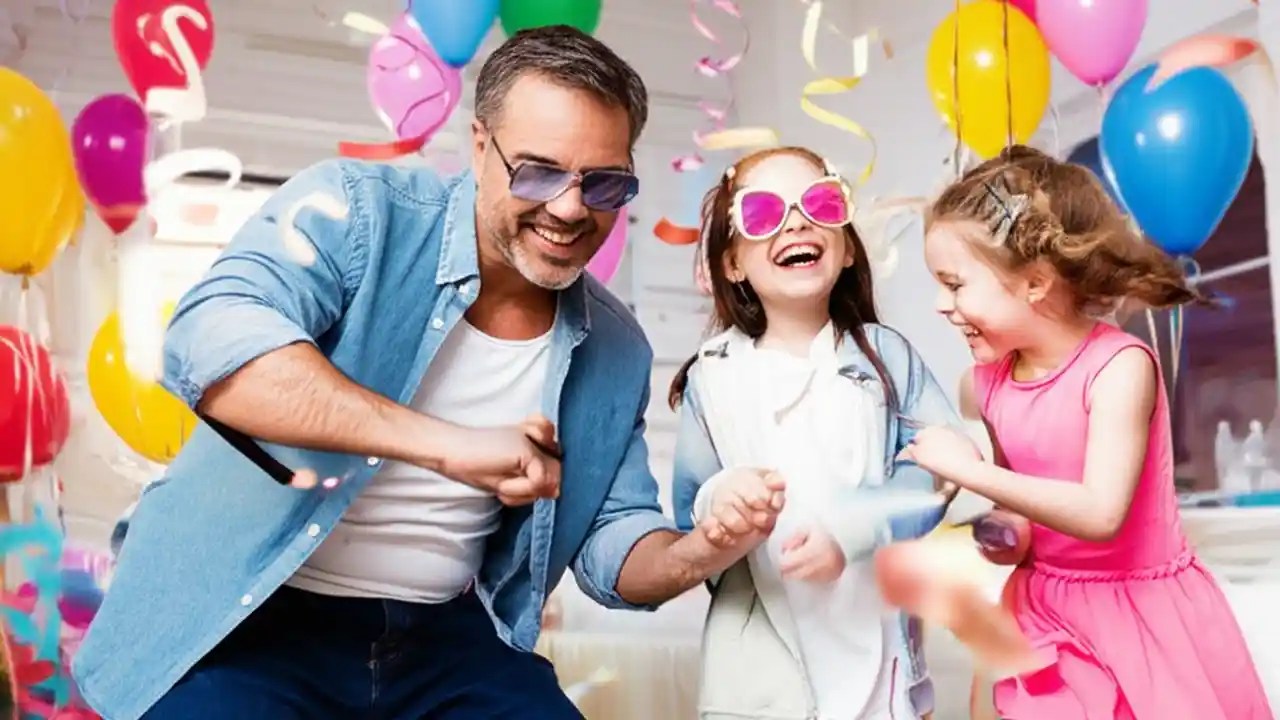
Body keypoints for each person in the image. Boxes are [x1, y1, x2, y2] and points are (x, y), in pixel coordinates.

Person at [72, 26, 780, 720]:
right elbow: (213, 342)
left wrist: (699, 550)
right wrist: (448, 444)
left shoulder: (614, 345)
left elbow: (611, 535)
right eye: (536, 171)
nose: (569, 208)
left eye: (603, 183)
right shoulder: (355, 212)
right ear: (479, 147)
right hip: (253, 621)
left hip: (445, 643)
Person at [903, 145, 1273, 719]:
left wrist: (972, 470)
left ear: (1034, 282)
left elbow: (1101, 513)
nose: (940, 305)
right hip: (1046, 612)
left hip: (1140, 617)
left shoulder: (1120, 367)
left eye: (955, 284)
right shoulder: (989, 383)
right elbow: (1025, 512)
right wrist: (1004, 532)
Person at [668, 146, 960, 720]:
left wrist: (850, 531)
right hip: (764, 677)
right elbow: (690, 513)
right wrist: (722, 503)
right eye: (763, 213)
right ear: (731, 263)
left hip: (876, 658)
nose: (796, 222)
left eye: (820, 205)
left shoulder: (886, 357)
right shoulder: (714, 376)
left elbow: (942, 464)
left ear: (847, 246)